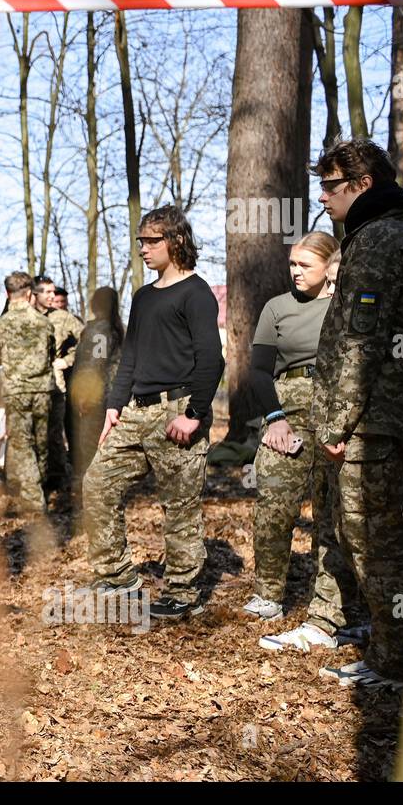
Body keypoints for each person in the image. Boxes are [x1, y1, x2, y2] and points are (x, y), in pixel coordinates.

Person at [309, 139, 403, 688]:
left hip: (377, 421)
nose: (324, 199)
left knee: (375, 540)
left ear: (362, 185)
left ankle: (397, 658)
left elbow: (361, 344)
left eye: (331, 188)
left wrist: (337, 424)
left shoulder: (376, 240)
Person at [81, 206, 224, 619]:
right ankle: (117, 576)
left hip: (178, 410)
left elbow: (211, 359)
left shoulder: (196, 293)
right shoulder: (143, 297)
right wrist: (113, 406)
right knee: (97, 484)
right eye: (141, 240)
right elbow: (130, 357)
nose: (142, 248)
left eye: (151, 240)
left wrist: (195, 414)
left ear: (176, 241)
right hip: (135, 413)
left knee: (179, 505)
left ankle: (183, 590)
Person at [247, 233, 362, 652]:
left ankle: (333, 605)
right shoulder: (277, 307)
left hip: (338, 410)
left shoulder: (348, 306)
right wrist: (274, 418)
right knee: (274, 502)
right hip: (287, 411)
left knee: (334, 514)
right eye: (292, 264)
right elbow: (259, 370)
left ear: (330, 267)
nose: (295, 272)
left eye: (304, 266)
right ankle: (268, 594)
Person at [0, 272, 55, 515]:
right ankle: (41, 487)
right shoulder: (44, 323)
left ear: (7, 294)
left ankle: (34, 499)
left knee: (22, 443)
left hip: (16, 391)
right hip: (42, 390)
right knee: (41, 441)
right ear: (29, 294)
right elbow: (51, 353)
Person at [68, 286, 124, 493]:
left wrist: (85, 397)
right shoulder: (117, 328)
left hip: (97, 397)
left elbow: (94, 364)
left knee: (90, 445)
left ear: (95, 304)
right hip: (114, 396)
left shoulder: (98, 330)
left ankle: (92, 489)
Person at [33, 275, 81, 501]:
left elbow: (91, 338)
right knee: (31, 437)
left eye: (54, 293)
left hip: (55, 386)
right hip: (28, 387)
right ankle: (32, 483)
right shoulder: (24, 316)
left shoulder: (63, 317)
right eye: (48, 293)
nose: (53, 297)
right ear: (34, 294)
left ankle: (58, 482)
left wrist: (69, 360)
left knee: (54, 437)